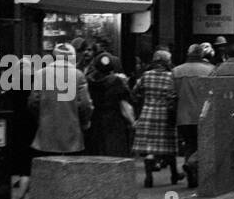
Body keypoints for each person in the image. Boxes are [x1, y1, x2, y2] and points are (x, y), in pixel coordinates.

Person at [28, 43, 93, 160]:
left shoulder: (40, 74)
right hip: (72, 136)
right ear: (72, 57)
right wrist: (84, 123)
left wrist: (41, 119)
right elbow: (85, 105)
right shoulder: (78, 75)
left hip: (46, 135)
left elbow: (33, 102)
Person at [132, 48, 179, 187]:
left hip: (147, 112)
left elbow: (135, 92)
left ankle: (148, 177)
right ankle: (174, 174)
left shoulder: (146, 75)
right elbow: (174, 95)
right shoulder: (171, 76)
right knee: (168, 147)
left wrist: (143, 100)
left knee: (149, 147)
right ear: (166, 61)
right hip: (164, 114)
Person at [172, 42, 215, 185]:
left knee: (189, 144)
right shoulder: (210, 70)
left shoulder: (176, 71)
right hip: (204, 114)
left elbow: (171, 94)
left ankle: (192, 178)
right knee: (204, 144)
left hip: (183, 115)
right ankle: (192, 166)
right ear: (201, 55)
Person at [85, 52, 135, 157]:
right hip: (114, 123)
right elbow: (124, 105)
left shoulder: (88, 80)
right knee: (113, 152)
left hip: (95, 122)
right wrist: (132, 122)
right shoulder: (117, 82)